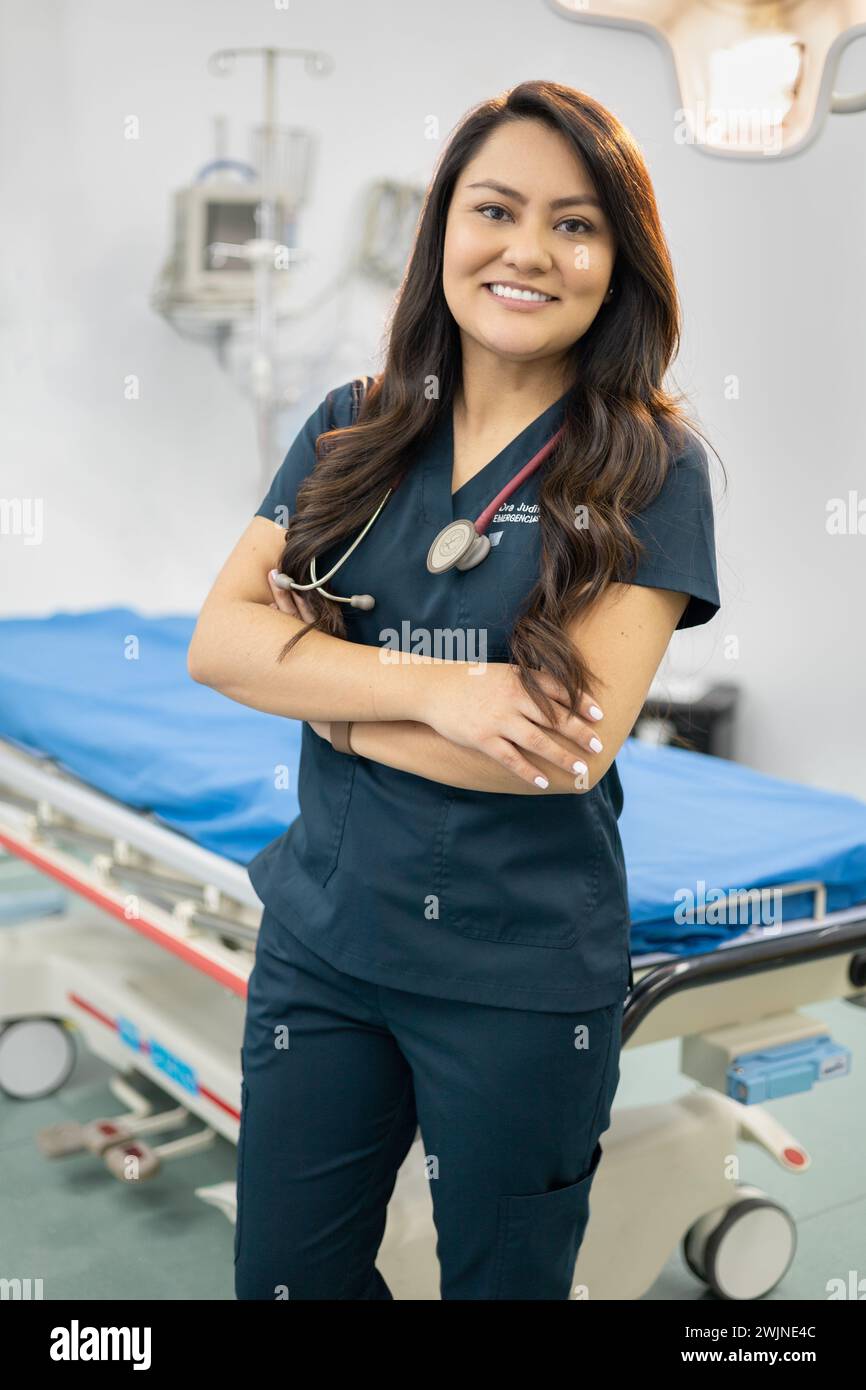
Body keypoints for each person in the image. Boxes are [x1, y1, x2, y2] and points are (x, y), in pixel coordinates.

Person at [188, 79, 721, 1301]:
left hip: (518, 975)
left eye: (576, 222)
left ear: (617, 258)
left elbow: (555, 746)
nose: (528, 250)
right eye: (495, 209)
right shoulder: (351, 429)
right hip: (320, 941)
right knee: (284, 1277)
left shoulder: (648, 465)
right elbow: (217, 641)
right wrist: (436, 694)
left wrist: (316, 685)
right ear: (442, 234)